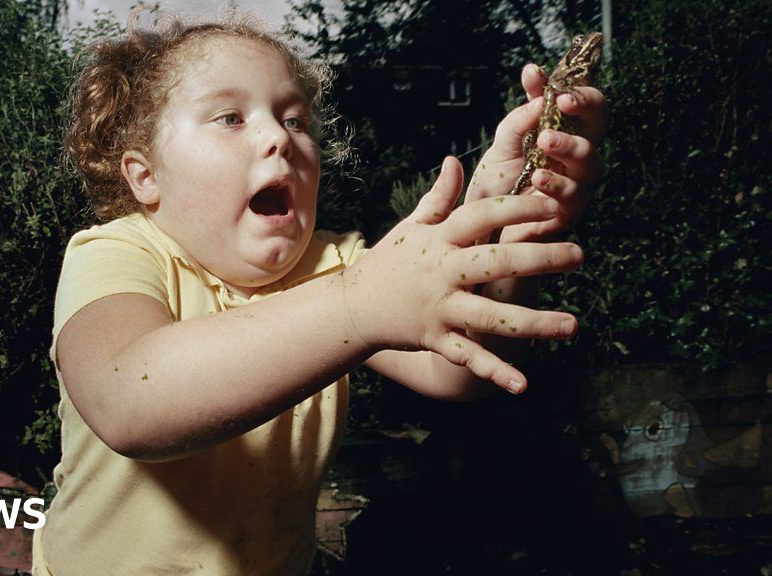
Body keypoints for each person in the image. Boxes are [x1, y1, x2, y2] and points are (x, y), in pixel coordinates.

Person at [32, 14, 606, 576]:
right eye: (231, 117)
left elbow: (460, 370)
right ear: (144, 175)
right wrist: (358, 304)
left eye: (297, 120)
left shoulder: (335, 266)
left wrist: (508, 214)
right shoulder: (116, 252)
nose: (279, 137)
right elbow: (129, 403)